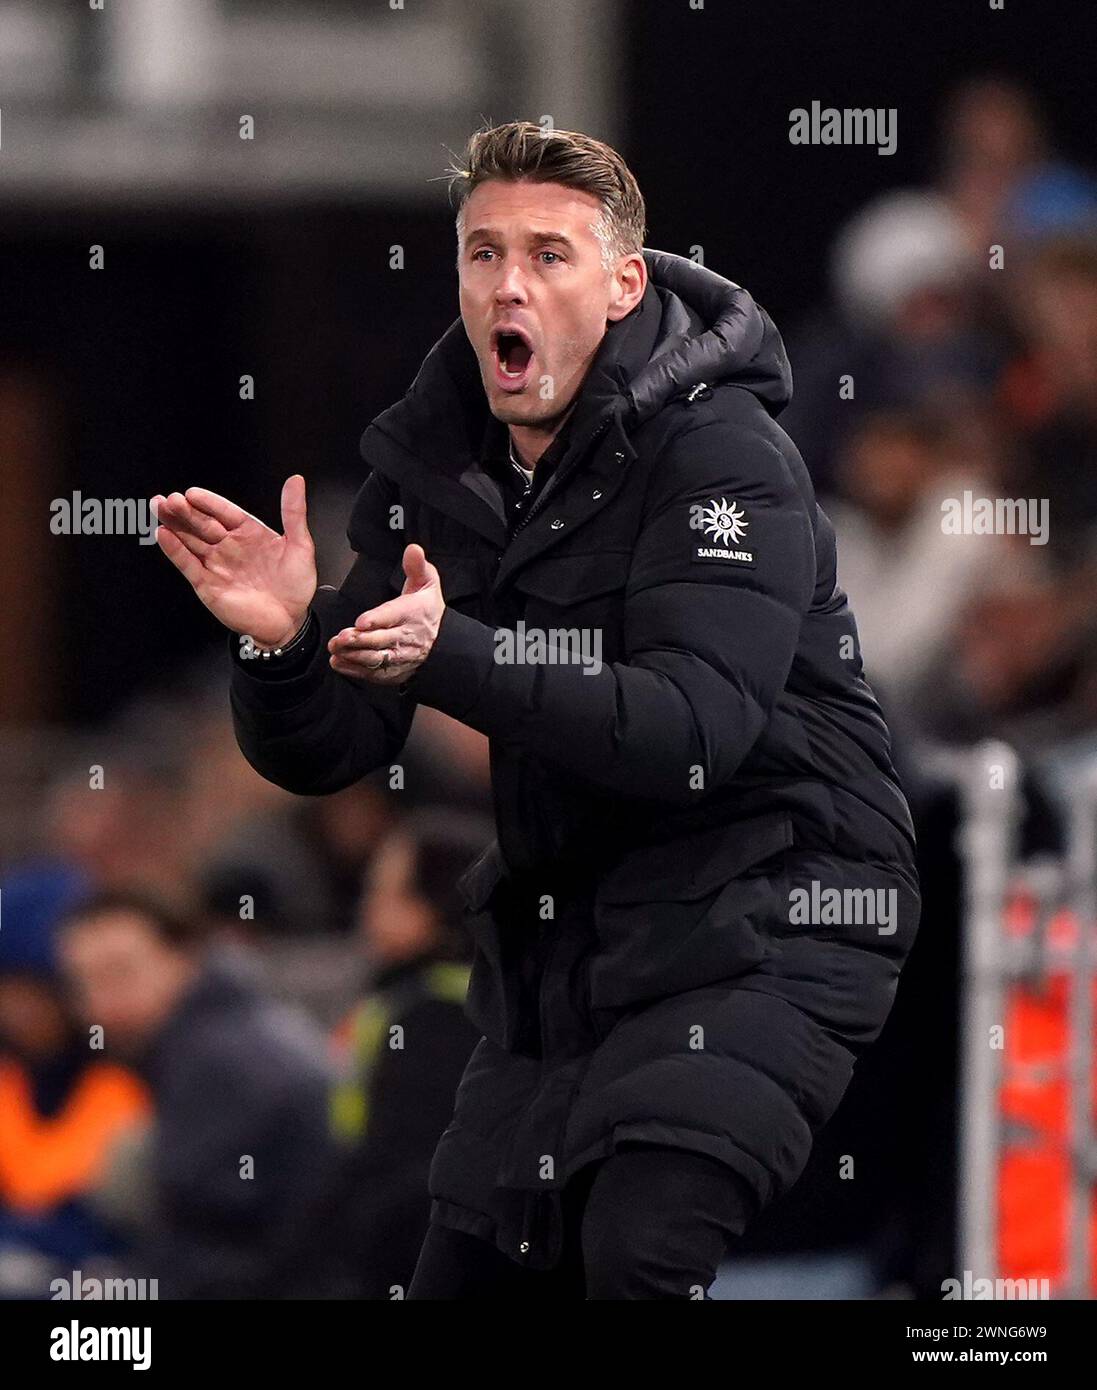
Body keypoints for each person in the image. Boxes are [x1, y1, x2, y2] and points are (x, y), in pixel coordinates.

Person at [153, 121, 921, 1299]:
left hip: (771, 908)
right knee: (462, 1280)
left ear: (621, 285)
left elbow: (691, 734)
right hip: (571, 937)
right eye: (482, 253)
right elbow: (340, 742)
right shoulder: (439, 459)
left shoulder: (725, 457)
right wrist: (284, 642)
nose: (509, 283)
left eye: (550, 255)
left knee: (636, 1251)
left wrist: (450, 653)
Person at [55, 889, 338, 1298]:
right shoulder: (230, 1033)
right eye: (84, 984)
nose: (101, 1006)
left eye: (120, 972)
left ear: (183, 957)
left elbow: (214, 1248)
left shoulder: (218, 1065)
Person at [321, 810, 485, 1297]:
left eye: (385, 893)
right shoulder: (430, 1000)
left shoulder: (435, 1019)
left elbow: (403, 1183)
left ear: (435, 907)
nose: (367, 909)